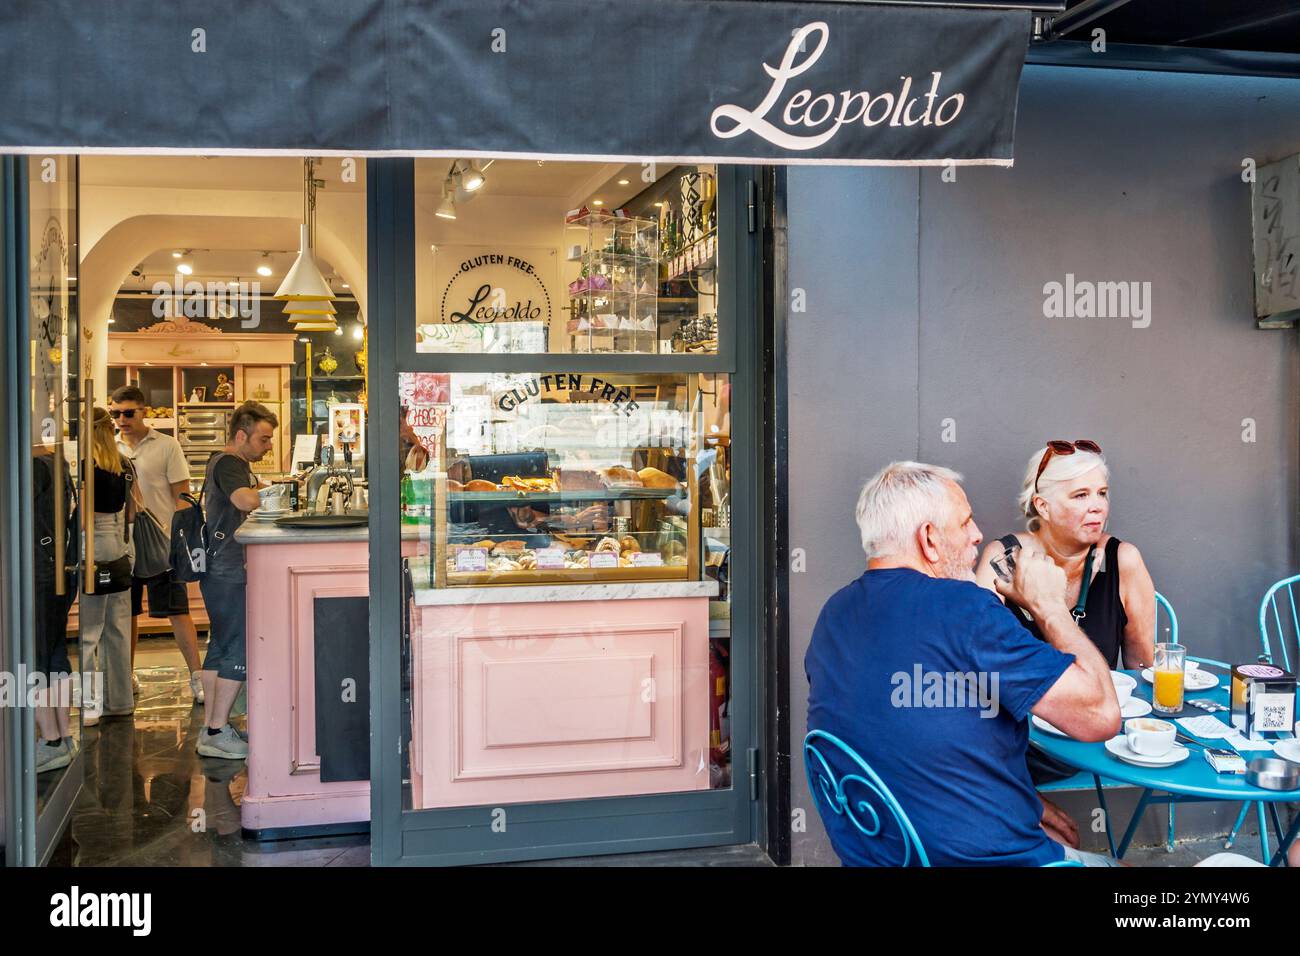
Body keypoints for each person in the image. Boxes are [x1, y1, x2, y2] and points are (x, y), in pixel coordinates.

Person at [974, 440, 1156, 796]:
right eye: (1080, 495)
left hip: (1096, 737)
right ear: (1042, 505)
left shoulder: (1124, 560)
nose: (1097, 507)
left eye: (1102, 493)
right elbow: (977, 663)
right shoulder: (1003, 560)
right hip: (1019, 743)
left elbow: (1142, 669)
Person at [110, 385, 205, 704]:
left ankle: (196, 675)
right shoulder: (109, 448)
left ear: (144, 411)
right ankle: (125, 674)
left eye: (128, 412)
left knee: (178, 611)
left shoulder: (166, 446)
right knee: (126, 612)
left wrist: (178, 538)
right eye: (115, 413)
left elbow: (182, 495)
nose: (121, 419)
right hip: (122, 543)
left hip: (162, 542)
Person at [195, 401, 277, 759]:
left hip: (218, 568)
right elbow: (244, 500)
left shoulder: (228, 462)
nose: (269, 445)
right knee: (239, 647)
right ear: (241, 435)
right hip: (227, 568)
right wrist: (275, 493)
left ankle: (214, 726)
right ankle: (216, 730)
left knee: (220, 647)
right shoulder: (229, 463)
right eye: (263, 438)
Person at [78, 406, 137, 726]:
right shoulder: (124, 464)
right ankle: (120, 700)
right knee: (117, 628)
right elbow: (132, 513)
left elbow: (85, 520)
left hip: (95, 549)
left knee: (89, 634)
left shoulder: (88, 466)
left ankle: (89, 707)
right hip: (120, 549)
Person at [32, 445, 78, 772]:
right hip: (59, 567)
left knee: (31, 656)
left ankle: (50, 740)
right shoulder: (55, 459)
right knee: (54, 652)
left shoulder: (32, 467)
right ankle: (63, 734)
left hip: (36, 571)